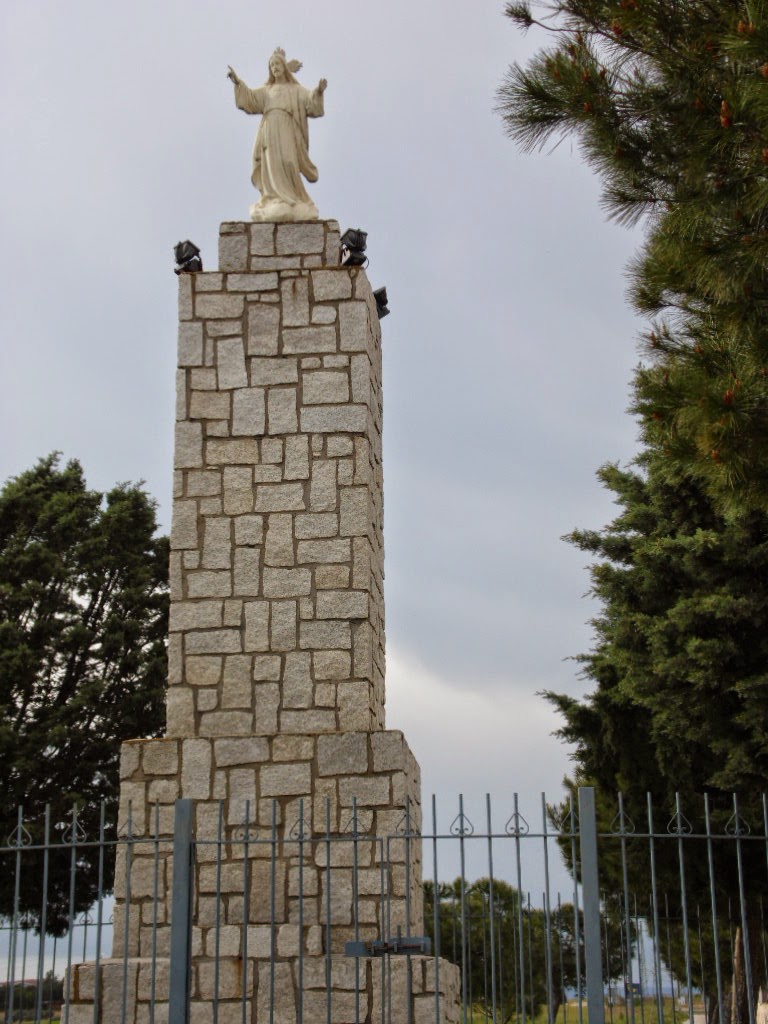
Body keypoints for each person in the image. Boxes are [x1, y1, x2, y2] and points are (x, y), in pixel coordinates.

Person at [227, 49, 327, 222]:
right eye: (272, 65)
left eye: (277, 64)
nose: (275, 67)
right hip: (270, 129)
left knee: (288, 161)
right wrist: (237, 82)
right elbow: (250, 99)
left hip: (287, 129)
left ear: (284, 67)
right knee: (271, 163)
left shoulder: (295, 89)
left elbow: (310, 102)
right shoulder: (268, 90)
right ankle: (274, 199)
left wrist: (318, 91)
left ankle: (292, 199)